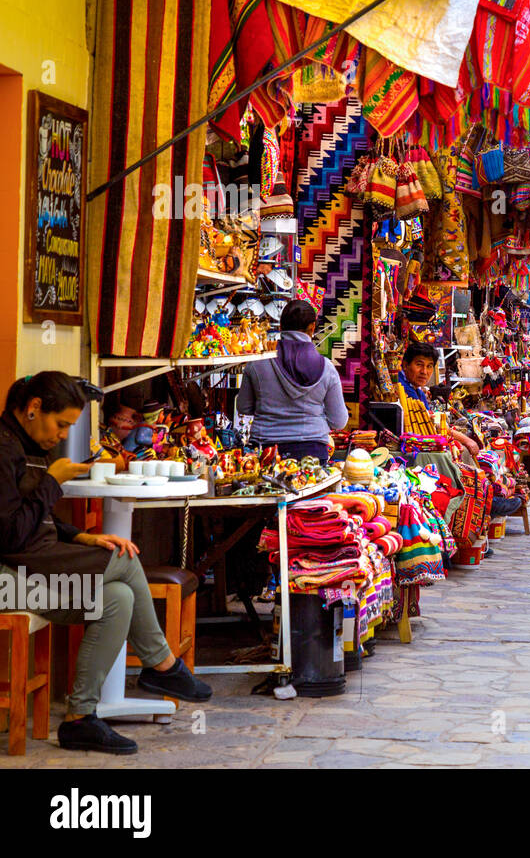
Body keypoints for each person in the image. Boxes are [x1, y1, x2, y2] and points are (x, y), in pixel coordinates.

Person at [0, 372, 212, 755]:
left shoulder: (30, 445)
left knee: (117, 597)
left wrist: (82, 536)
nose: (63, 435)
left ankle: (80, 719)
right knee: (123, 559)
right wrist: (51, 481)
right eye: (61, 423)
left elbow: (36, 519)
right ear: (33, 409)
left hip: (33, 566)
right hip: (9, 578)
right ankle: (162, 665)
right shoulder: (2, 449)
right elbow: (9, 534)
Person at [237, 299, 347, 464]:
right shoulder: (327, 369)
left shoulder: (257, 363)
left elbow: (243, 407)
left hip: (265, 451)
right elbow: (339, 421)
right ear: (312, 327)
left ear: (280, 327)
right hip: (312, 453)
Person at [391, 341, 442, 437]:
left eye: (429, 366)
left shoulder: (418, 390)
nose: (424, 371)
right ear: (405, 365)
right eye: (419, 365)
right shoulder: (401, 386)